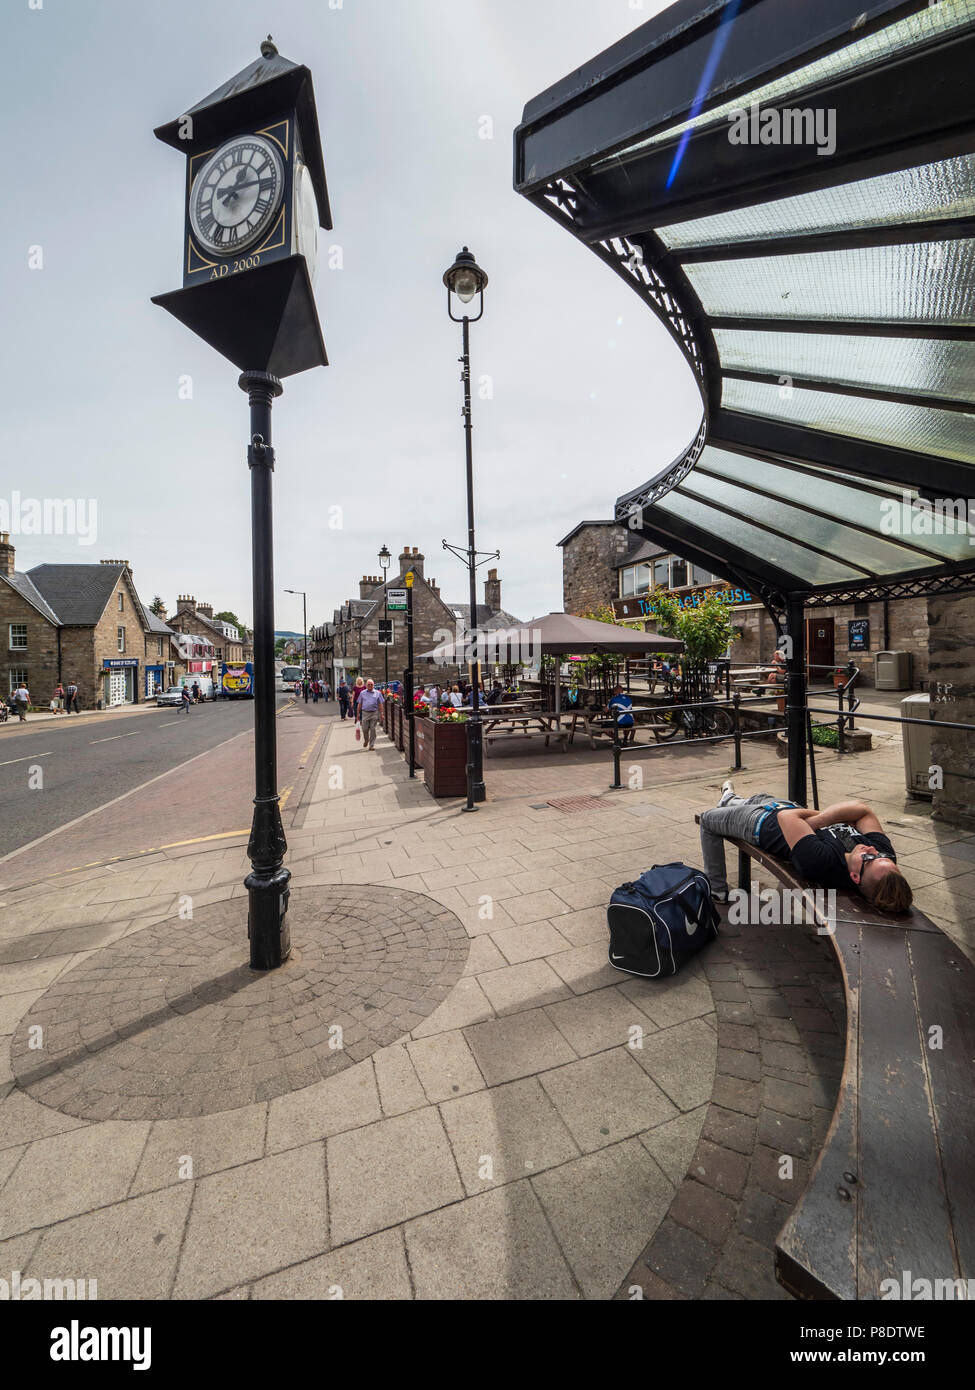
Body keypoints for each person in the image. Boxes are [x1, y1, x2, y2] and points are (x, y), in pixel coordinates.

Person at [699, 783, 913, 913]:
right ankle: (729, 800)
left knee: (708, 820)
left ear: (855, 877)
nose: (871, 849)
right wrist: (816, 821)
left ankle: (716, 889)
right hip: (788, 809)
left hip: (759, 822)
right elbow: (862, 809)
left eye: (869, 858)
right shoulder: (882, 857)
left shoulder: (821, 861)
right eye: (882, 855)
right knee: (760, 797)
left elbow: (786, 817)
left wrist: (822, 819)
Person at [356, 678, 384, 750]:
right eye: (369, 684)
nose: (370, 686)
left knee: (373, 729)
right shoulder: (362, 693)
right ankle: (366, 740)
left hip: (374, 713)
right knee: (365, 729)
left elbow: (381, 704)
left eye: (371, 684)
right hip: (365, 713)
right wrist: (357, 715)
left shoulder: (378, 693)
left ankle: (371, 745)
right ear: (366, 685)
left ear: (373, 685)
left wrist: (382, 713)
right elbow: (359, 704)